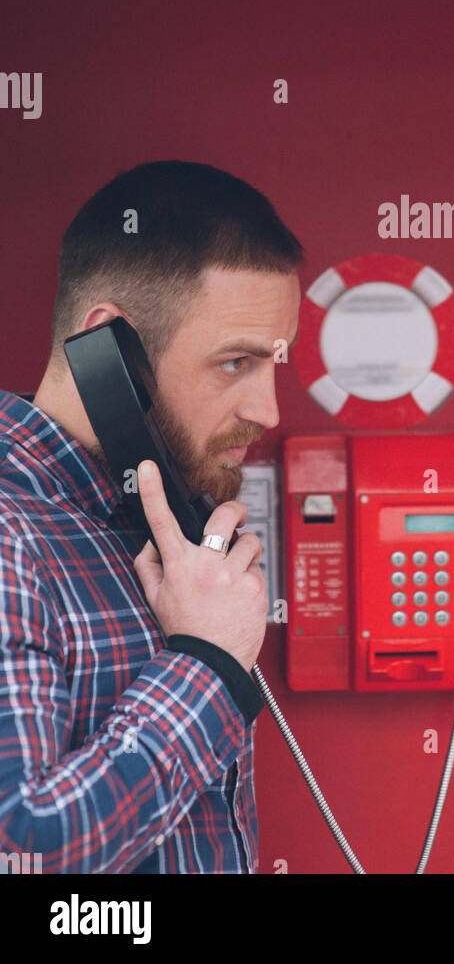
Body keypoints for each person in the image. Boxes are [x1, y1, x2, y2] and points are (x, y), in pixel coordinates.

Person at [0, 161, 303, 873]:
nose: (269, 411)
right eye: (236, 363)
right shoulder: (12, 535)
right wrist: (205, 664)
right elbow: (17, 850)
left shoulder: (155, 519)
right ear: (111, 349)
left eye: (274, 364)